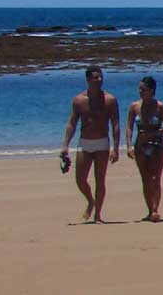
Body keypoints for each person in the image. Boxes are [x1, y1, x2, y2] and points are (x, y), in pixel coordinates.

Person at [60, 65, 120, 223]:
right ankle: (91, 201)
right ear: (88, 80)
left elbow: (115, 124)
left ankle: (98, 215)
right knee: (80, 179)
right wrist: (65, 145)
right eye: (95, 77)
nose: (99, 80)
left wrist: (116, 148)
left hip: (102, 143)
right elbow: (72, 123)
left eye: (101, 77)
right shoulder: (79, 100)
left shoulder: (110, 100)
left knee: (100, 179)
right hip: (85, 142)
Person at [125, 76, 163, 222]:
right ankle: (149, 210)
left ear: (151, 90)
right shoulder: (134, 107)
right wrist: (128, 146)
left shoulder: (160, 107)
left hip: (157, 145)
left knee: (155, 177)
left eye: (143, 89)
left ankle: (155, 209)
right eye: (139, 89)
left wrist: (155, 133)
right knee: (145, 178)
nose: (140, 92)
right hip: (140, 146)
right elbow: (129, 127)